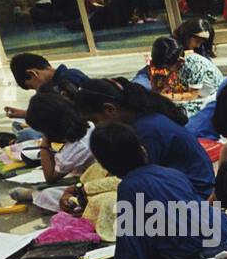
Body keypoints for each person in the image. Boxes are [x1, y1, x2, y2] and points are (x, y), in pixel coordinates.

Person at [88, 122, 227, 259]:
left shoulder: (130, 186)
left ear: (106, 164)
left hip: (204, 256)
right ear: (141, 149)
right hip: (225, 231)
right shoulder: (169, 172)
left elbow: (133, 239)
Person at [74, 78, 215, 197]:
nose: (96, 127)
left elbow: (140, 181)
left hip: (195, 193)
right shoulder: (139, 120)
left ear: (109, 110)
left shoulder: (146, 131)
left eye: (95, 121)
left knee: (112, 202)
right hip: (177, 186)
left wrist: (85, 191)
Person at [16, 91, 97, 214]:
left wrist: (45, 143)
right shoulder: (88, 125)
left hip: (96, 181)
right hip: (88, 174)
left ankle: (34, 196)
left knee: (48, 194)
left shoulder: (77, 148)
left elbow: (50, 177)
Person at [145, 35, 223, 118]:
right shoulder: (173, 61)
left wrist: (167, 96)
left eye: (167, 68)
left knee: (174, 113)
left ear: (180, 61)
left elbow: (192, 95)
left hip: (212, 97)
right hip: (194, 92)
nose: (165, 70)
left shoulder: (194, 65)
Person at [5, 54, 90, 126]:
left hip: (81, 126)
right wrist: (24, 114)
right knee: (17, 125)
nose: (36, 90)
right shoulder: (58, 82)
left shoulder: (70, 77)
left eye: (33, 86)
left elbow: (64, 115)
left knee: (28, 133)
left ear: (33, 73)